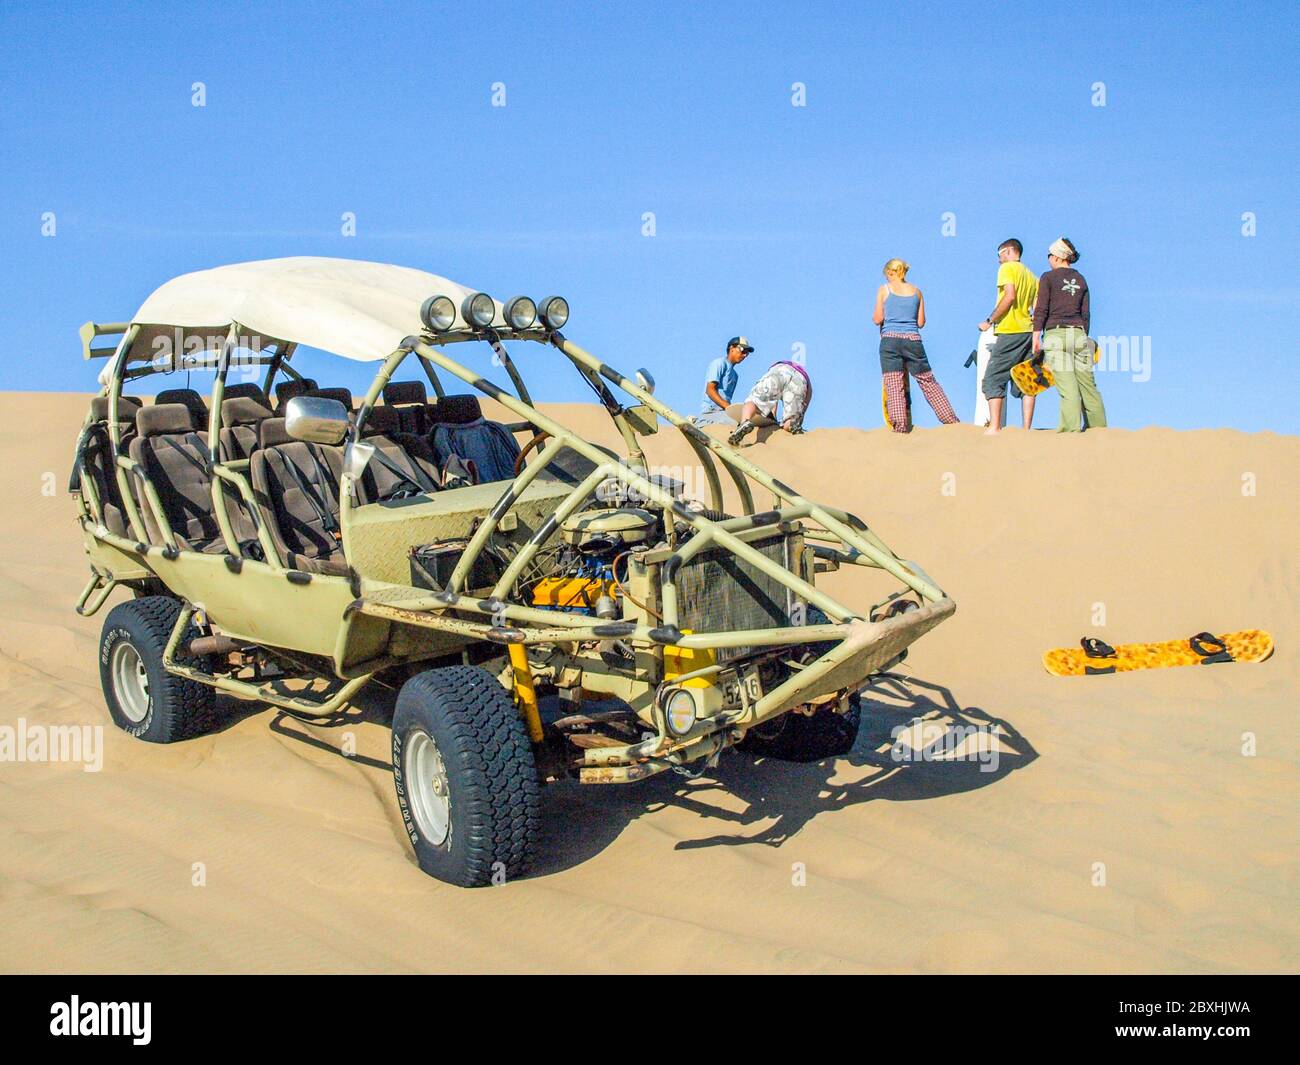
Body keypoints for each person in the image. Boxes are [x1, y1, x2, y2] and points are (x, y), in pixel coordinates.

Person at [872, 258, 959, 432]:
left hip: (890, 340)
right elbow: (921, 322)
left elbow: (877, 318)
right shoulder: (917, 292)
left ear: (890, 273)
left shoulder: (884, 290)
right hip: (913, 340)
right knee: (927, 380)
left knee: (894, 383)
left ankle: (900, 427)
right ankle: (951, 421)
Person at [1032, 237, 1106, 432]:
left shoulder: (1047, 278)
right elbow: (1086, 314)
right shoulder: (1081, 279)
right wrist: (1084, 337)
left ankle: (1069, 433)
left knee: (1068, 388)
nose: (1048, 259)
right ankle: (1098, 430)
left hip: (1055, 335)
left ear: (1056, 257)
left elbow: (1041, 310)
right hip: (1079, 335)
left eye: (1049, 255)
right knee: (1088, 386)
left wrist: (1035, 337)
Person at [979, 238, 1040, 435]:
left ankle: (994, 427)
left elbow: (1010, 295)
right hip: (1029, 331)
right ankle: (1026, 430)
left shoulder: (1007, 269)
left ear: (1008, 252)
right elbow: (1037, 308)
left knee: (993, 378)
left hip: (1010, 329)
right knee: (1026, 378)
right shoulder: (1032, 276)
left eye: (999, 255)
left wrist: (990, 320)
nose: (998, 260)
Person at [728, 360, 812, 445]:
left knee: (755, 400)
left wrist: (772, 414)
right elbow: (805, 404)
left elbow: (773, 398)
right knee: (791, 420)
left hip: (780, 369)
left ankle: (745, 421)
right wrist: (798, 418)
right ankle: (792, 424)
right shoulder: (809, 385)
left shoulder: (780, 367)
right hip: (801, 379)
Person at [692, 336, 752, 426]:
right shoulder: (719, 363)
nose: (744, 355)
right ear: (731, 348)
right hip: (711, 412)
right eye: (743, 350)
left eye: (747, 353)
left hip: (724, 413)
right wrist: (729, 408)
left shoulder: (735, 375)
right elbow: (710, 390)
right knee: (737, 423)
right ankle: (697, 421)